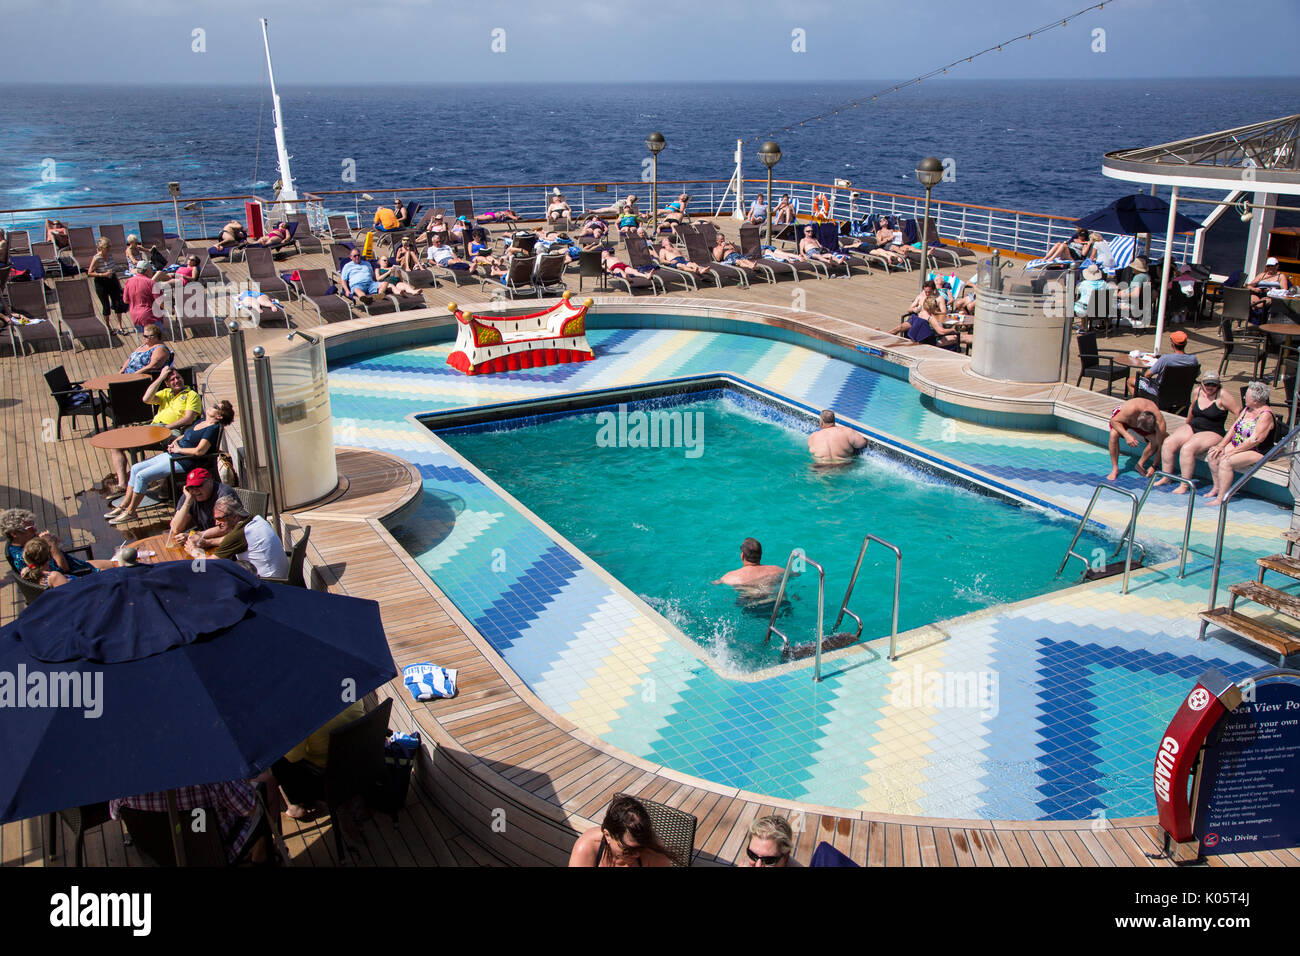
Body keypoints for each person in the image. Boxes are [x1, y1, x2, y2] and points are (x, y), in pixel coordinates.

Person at [109, 401, 234, 524]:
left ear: (219, 416)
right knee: (136, 468)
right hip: (174, 454)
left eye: (216, 406)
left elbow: (200, 451)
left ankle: (131, 512)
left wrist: (179, 449)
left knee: (142, 476)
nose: (212, 405)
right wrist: (175, 442)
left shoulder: (213, 428)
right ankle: (124, 505)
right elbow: (186, 435)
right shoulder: (202, 421)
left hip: (184, 461)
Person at [110, 780, 269, 864]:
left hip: (160, 856)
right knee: (266, 784)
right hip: (216, 852)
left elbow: (115, 814)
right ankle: (260, 857)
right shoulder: (210, 774)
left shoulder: (125, 784)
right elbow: (249, 808)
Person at [105, 364, 201, 495]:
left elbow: (189, 419)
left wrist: (167, 427)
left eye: (178, 378)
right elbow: (146, 398)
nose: (176, 381)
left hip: (173, 431)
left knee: (171, 447)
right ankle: (122, 485)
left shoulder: (191, 395)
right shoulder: (166, 393)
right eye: (172, 380)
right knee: (116, 445)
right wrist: (161, 377)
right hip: (153, 428)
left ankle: (165, 487)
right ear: (167, 383)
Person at [271, 700, 366, 819]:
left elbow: (293, 757)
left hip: (325, 775)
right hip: (360, 761)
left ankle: (295, 806)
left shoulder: (301, 712)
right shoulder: (350, 687)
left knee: (277, 759)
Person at [1154, 371, 1241, 494]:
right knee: (1168, 442)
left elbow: (1239, 413)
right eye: (1207, 384)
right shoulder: (1197, 391)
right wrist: (1187, 425)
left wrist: (1233, 433)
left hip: (1213, 431)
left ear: (1219, 385)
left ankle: (1184, 485)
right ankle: (1166, 477)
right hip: (1194, 426)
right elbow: (1191, 408)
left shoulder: (1223, 395)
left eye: (1214, 385)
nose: (1210, 387)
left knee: (1187, 448)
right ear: (1202, 383)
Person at [1205, 381, 1276, 506]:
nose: (1244, 398)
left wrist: (1233, 451)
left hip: (1256, 450)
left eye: (1247, 396)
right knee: (1213, 454)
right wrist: (1221, 445)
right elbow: (1233, 428)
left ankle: (1222, 497)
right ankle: (1217, 487)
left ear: (1256, 400)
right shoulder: (1247, 409)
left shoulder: (1265, 415)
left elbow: (1255, 440)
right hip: (1239, 444)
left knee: (1226, 462)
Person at [190, 494, 288, 579]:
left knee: (213, 576)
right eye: (215, 519)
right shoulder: (254, 519)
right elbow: (232, 540)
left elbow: (207, 565)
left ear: (235, 516)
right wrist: (208, 542)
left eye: (220, 519)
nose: (217, 523)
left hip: (269, 583)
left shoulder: (238, 535)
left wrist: (193, 551)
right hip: (282, 576)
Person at [568, 795, 675, 867]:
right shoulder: (588, 846)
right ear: (607, 835)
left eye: (641, 847)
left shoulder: (653, 854)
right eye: (629, 849)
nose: (637, 854)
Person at [2, 507, 112, 575]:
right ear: (14, 534)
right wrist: (51, 545)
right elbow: (63, 569)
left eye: (33, 525)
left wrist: (51, 543)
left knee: (119, 561)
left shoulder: (26, 544)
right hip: (80, 575)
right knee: (123, 563)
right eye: (29, 528)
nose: (35, 529)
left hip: (79, 565)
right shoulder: (27, 555)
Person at [169, 466, 236, 544]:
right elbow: (175, 528)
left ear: (210, 481)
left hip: (227, 540)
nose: (195, 490)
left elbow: (226, 528)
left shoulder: (224, 494)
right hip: (204, 538)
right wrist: (188, 501)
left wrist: (194, 535)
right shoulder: (189, 494)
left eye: (198, 485)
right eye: (191, 487)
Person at [1106, 397, 1166, 481]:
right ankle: (1115, 468)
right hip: (1122, 419)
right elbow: (1113, 421)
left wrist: (1154, 466)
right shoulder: (1131, 409)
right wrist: (1127, 435)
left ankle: (1140, 464)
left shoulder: (1160, 422)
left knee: (1156, 440)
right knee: (1113, 434)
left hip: (1139, 420)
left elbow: (1161, 446)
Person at [1133, 329, 1199, 400]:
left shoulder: (1165, 359)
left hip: (1160, 391)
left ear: (1172, 344)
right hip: (1181, 392)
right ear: (1185, 344)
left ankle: (1140, 404)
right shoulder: (1193, 359)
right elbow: (1196, 374)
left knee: (1132, 380)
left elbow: (1147, 375)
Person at [86, 237, 130, 333]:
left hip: (112, 280)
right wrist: (102, 274)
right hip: (101, 282)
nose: (109, 249)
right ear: (102, 248)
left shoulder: (110, 255)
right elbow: (89, 272)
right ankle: (108, 326)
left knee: (117, 303)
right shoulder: (97, 258)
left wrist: (117, 280)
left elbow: (113, 268)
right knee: (106, 306)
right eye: (107, 247)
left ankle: (119, 325)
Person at [714, 537, 785, 590]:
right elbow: (794, 574)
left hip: (751, 606)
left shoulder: (730, 577)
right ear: (761, 554)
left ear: (742, 556)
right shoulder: (777, 570)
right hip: (777, 601)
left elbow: (715, 584)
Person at [121, 259, 162, 331]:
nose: (152, 271)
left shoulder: (129, 281)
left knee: (146, 339)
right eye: (151, 269)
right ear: (147, 271)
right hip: (150, 316)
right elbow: (161, 303)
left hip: (135, 316)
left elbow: (125, 301)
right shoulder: (151, 283)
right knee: (155, 339)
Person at [1248, 256, 1290, 323]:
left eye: (1272, 266)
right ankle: (1254, 310)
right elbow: (1249, 286)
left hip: (1270, 296)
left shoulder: (1280, 276)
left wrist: (1272, 290)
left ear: (1277, 266)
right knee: (1251, 298)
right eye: (1268, 266)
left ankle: (1254, 308)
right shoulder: (1262, 275)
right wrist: (1255, 289)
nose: (1270, 268)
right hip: (1258, 294)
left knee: (1265, 301)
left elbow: (1284, 290)